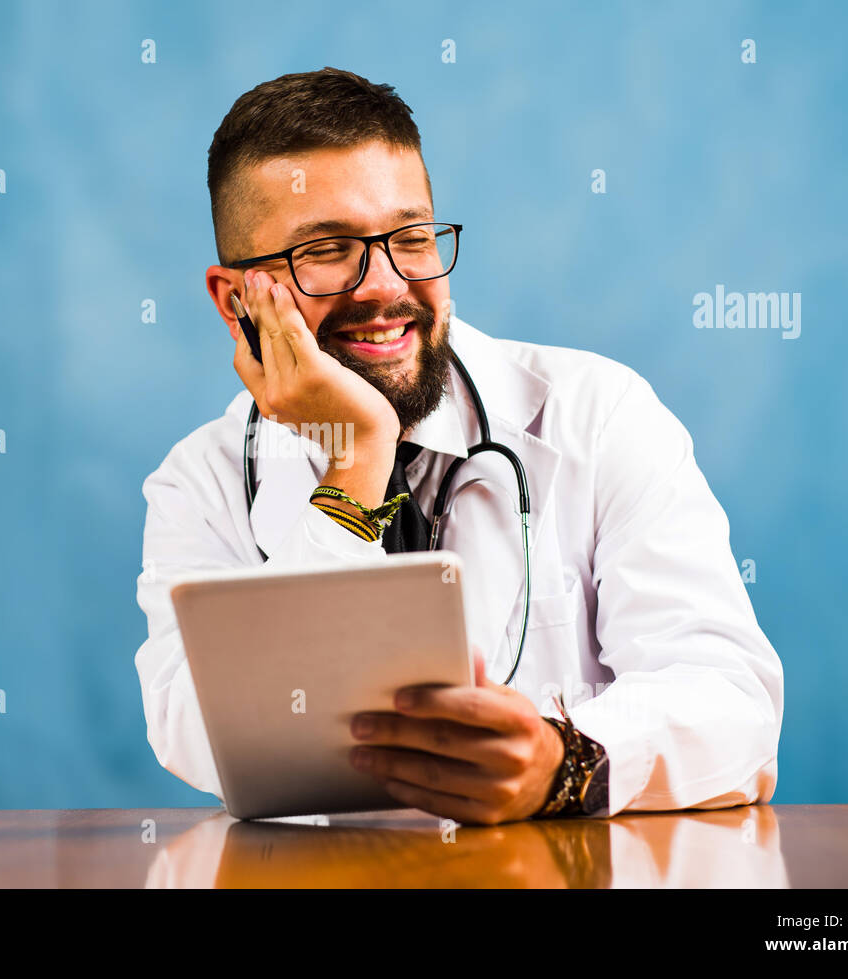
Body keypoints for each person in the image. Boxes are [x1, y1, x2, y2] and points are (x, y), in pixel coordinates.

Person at [135, 67, 783, 825]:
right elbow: (205, 735)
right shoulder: (201, 483)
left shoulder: (598, 416)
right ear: (235, 299)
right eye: (327, 250)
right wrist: (357, 458)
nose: (385, 286)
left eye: (410, 238)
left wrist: (559, 763)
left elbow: (731, 702)